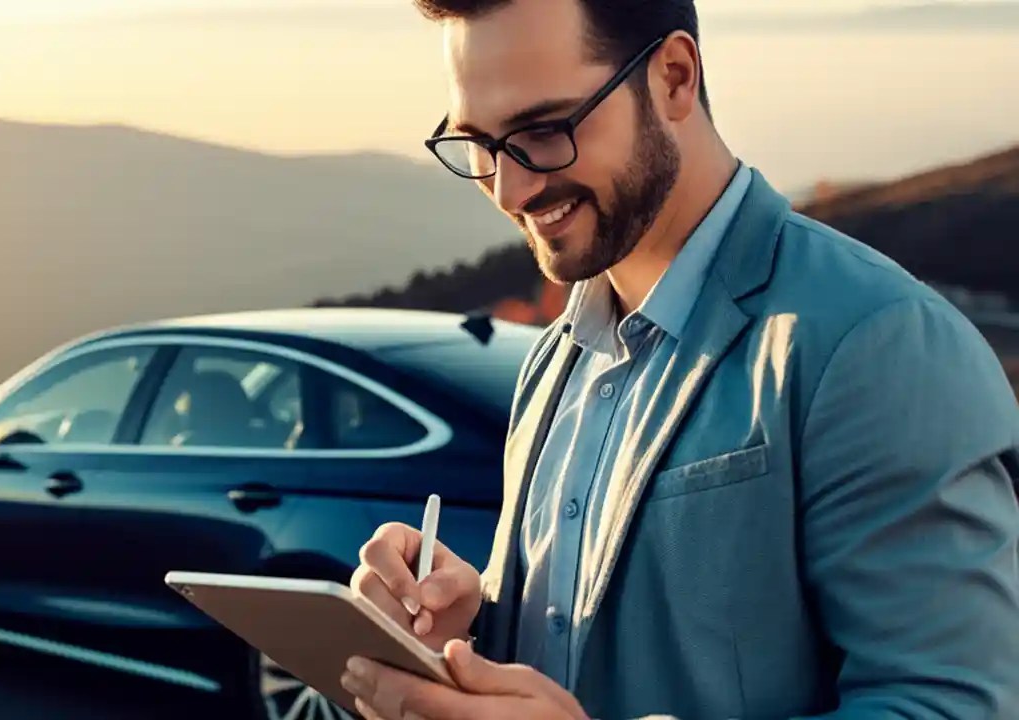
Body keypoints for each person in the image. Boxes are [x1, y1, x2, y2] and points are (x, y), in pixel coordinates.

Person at [340, 0, 1019, 718]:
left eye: (543, 131)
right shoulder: (553, 362)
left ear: (672, 77)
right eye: (478, 143)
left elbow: (953, 706)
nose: (512, 190)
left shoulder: (878, 343)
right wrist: (459, 633)